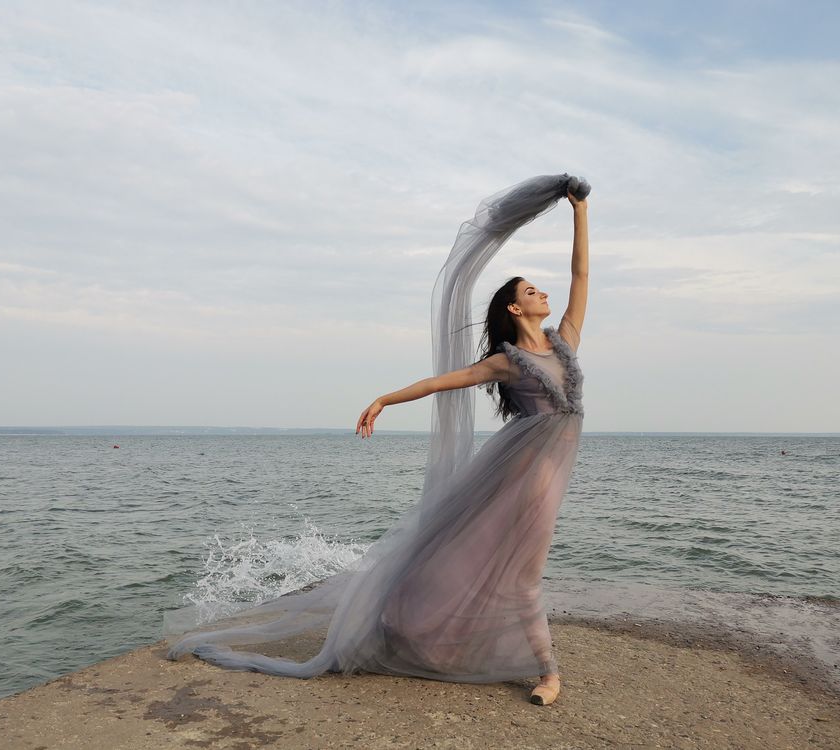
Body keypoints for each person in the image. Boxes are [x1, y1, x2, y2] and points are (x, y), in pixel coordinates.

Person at [166, 174, 589, 708]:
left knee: (501, 563)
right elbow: (439, 383)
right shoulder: (505, 363)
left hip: (548, 474)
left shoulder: (565, 342)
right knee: (516, 569)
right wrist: (385, 399)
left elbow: (581, 275)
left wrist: (579, 211)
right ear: (513, 309)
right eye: (532, 291)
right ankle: (546, 671)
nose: (544, 294)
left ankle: (422, 628)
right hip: (522, 476)